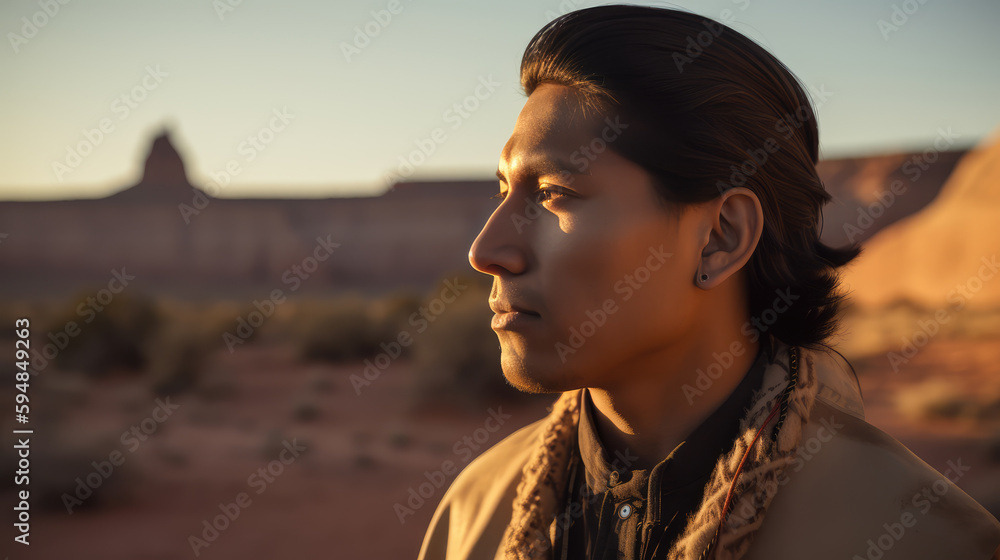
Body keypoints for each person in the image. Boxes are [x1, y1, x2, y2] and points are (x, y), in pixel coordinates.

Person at [417, 5, 1000, 559]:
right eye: (503, 192)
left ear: (721, 237)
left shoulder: (922, 540)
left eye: (553, 195)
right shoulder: (474, 513)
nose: (487, 251)